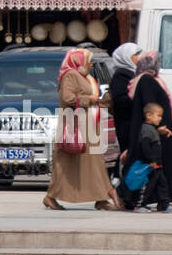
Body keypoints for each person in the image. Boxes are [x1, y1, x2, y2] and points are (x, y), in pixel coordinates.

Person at [44, 47, 118, 211]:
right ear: (78, 61)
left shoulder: (86, 77)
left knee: (94, 163)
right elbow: (67, 98)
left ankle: (101, 198)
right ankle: (52, 196)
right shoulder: (70, 75)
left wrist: (102, 100)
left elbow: (92, 99)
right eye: (88, 61)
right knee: (68, 164)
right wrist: (89, 99)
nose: (90, 64)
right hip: (76, 126)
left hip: (89, 125)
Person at [127, 52, 172, 208]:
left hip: (161, 131)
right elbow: (150, 105)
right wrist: (158, 126)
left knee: (161, 170)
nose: (158, 64)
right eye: (155, 62)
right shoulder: (145, 80)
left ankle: (167, 200)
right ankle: (146, 201)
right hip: (155, 133)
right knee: (153, 169)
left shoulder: (152, 80)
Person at [106, 42, 140, 208]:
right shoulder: (122, 75)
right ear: (126, 57)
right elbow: (120, 99)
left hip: (131, 121)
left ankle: (124, 191)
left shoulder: (131, 73)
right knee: (128, 155)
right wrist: (138, 100)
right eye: (135, 55)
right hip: (126, 123)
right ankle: (122, 192)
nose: (138, 58)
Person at [132, 103, 172, 212]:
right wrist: (151, 160)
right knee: (147, 186)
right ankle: (140, 205)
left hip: (157, 165)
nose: (161, 118)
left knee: (162, 185)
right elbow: (145, 147)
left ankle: (164, 204)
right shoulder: (146, 129)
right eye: (158, 116)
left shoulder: (152, 129)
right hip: (150, 165)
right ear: (149, 115)